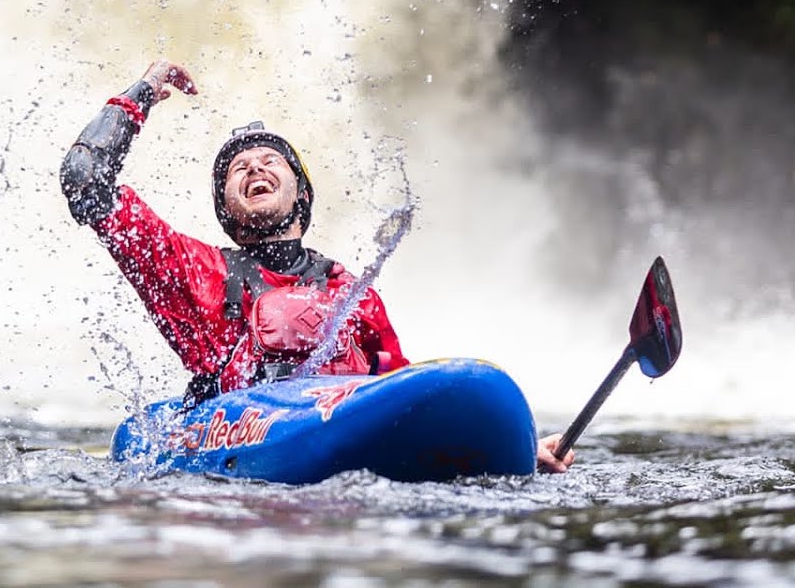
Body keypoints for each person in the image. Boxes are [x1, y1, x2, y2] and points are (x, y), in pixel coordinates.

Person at [59, 59, 575, 473]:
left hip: (341, 462)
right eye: (238, 169)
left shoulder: (351, 291)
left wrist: (517, 450)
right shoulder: (196, 271)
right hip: (243, 448)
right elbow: (84, 180)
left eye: (269, 161)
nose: (254, 167)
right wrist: (144, 91)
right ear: (227, 212)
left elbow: (398, 392)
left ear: (301, 194)